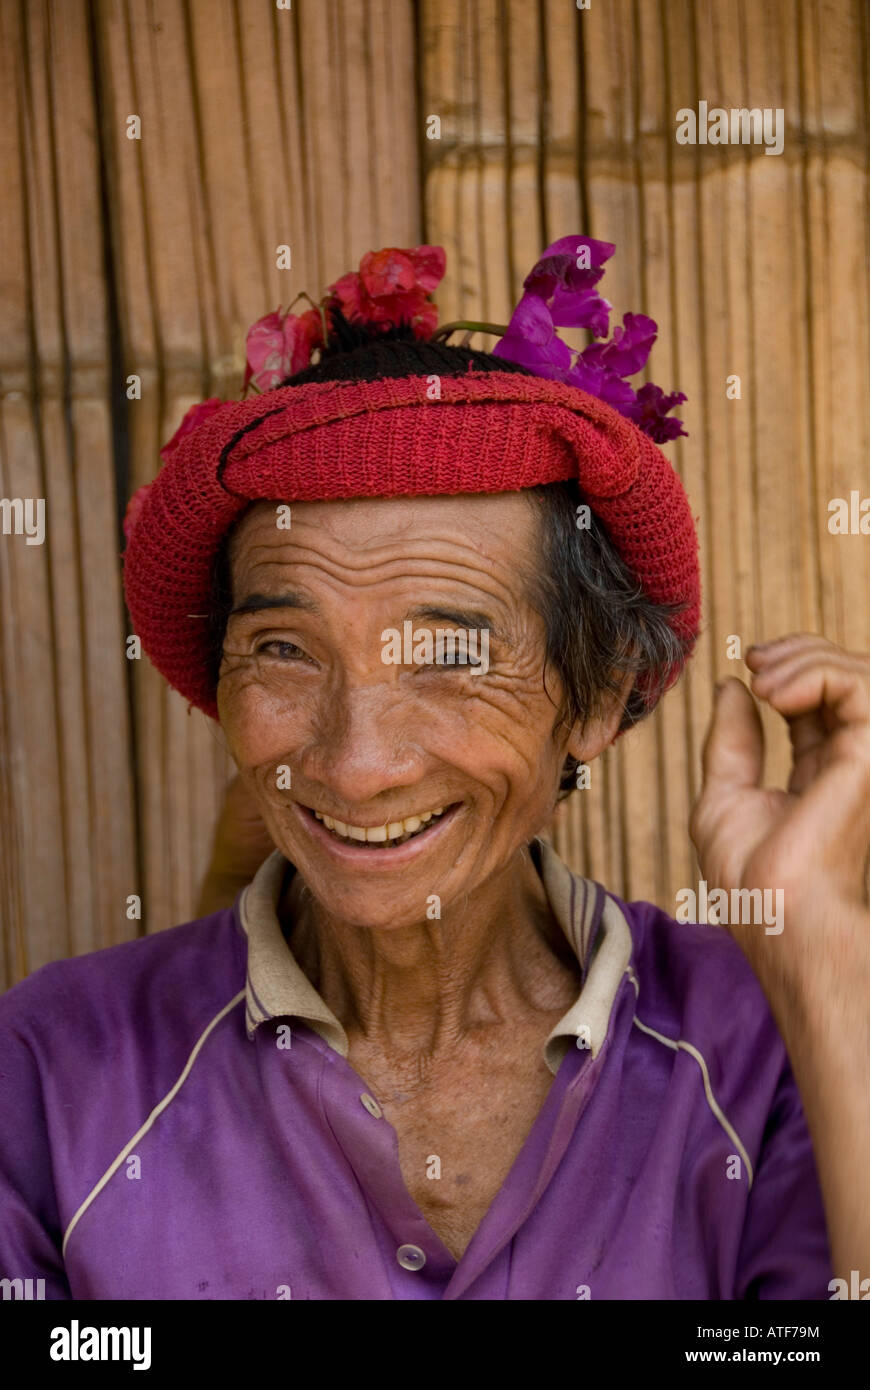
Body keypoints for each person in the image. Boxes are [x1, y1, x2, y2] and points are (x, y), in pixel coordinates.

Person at [0, 238, 866, 1301]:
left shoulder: (768, 1052)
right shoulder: (50, 1072)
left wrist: (823, 959)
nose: (357, 764)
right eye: (282, 650)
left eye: (450, 656)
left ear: (595, 696)